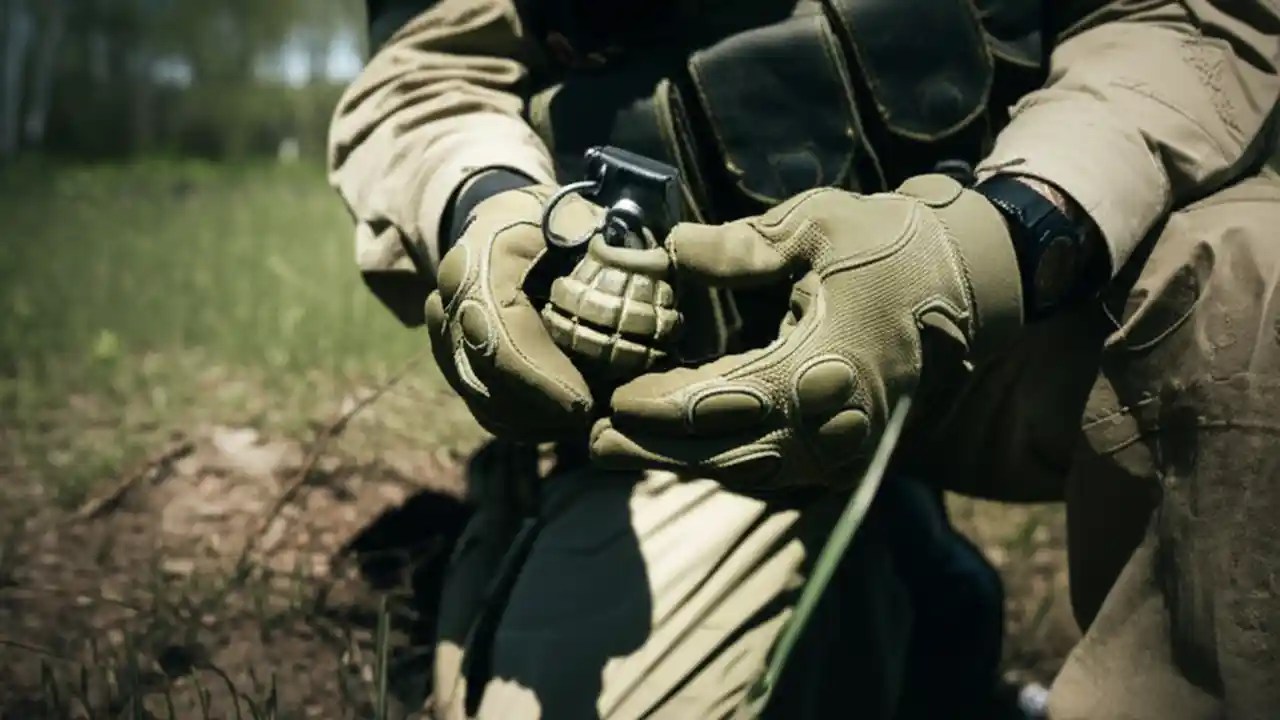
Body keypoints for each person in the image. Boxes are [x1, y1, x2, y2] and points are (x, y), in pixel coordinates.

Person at [328, 1, 1280, 718]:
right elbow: (429, 74)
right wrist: (482, 201)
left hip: (1033, 303)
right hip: (691, 389)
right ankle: (896, 579)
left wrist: (995, 241)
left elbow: (1187, 15)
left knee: (1258, 285)